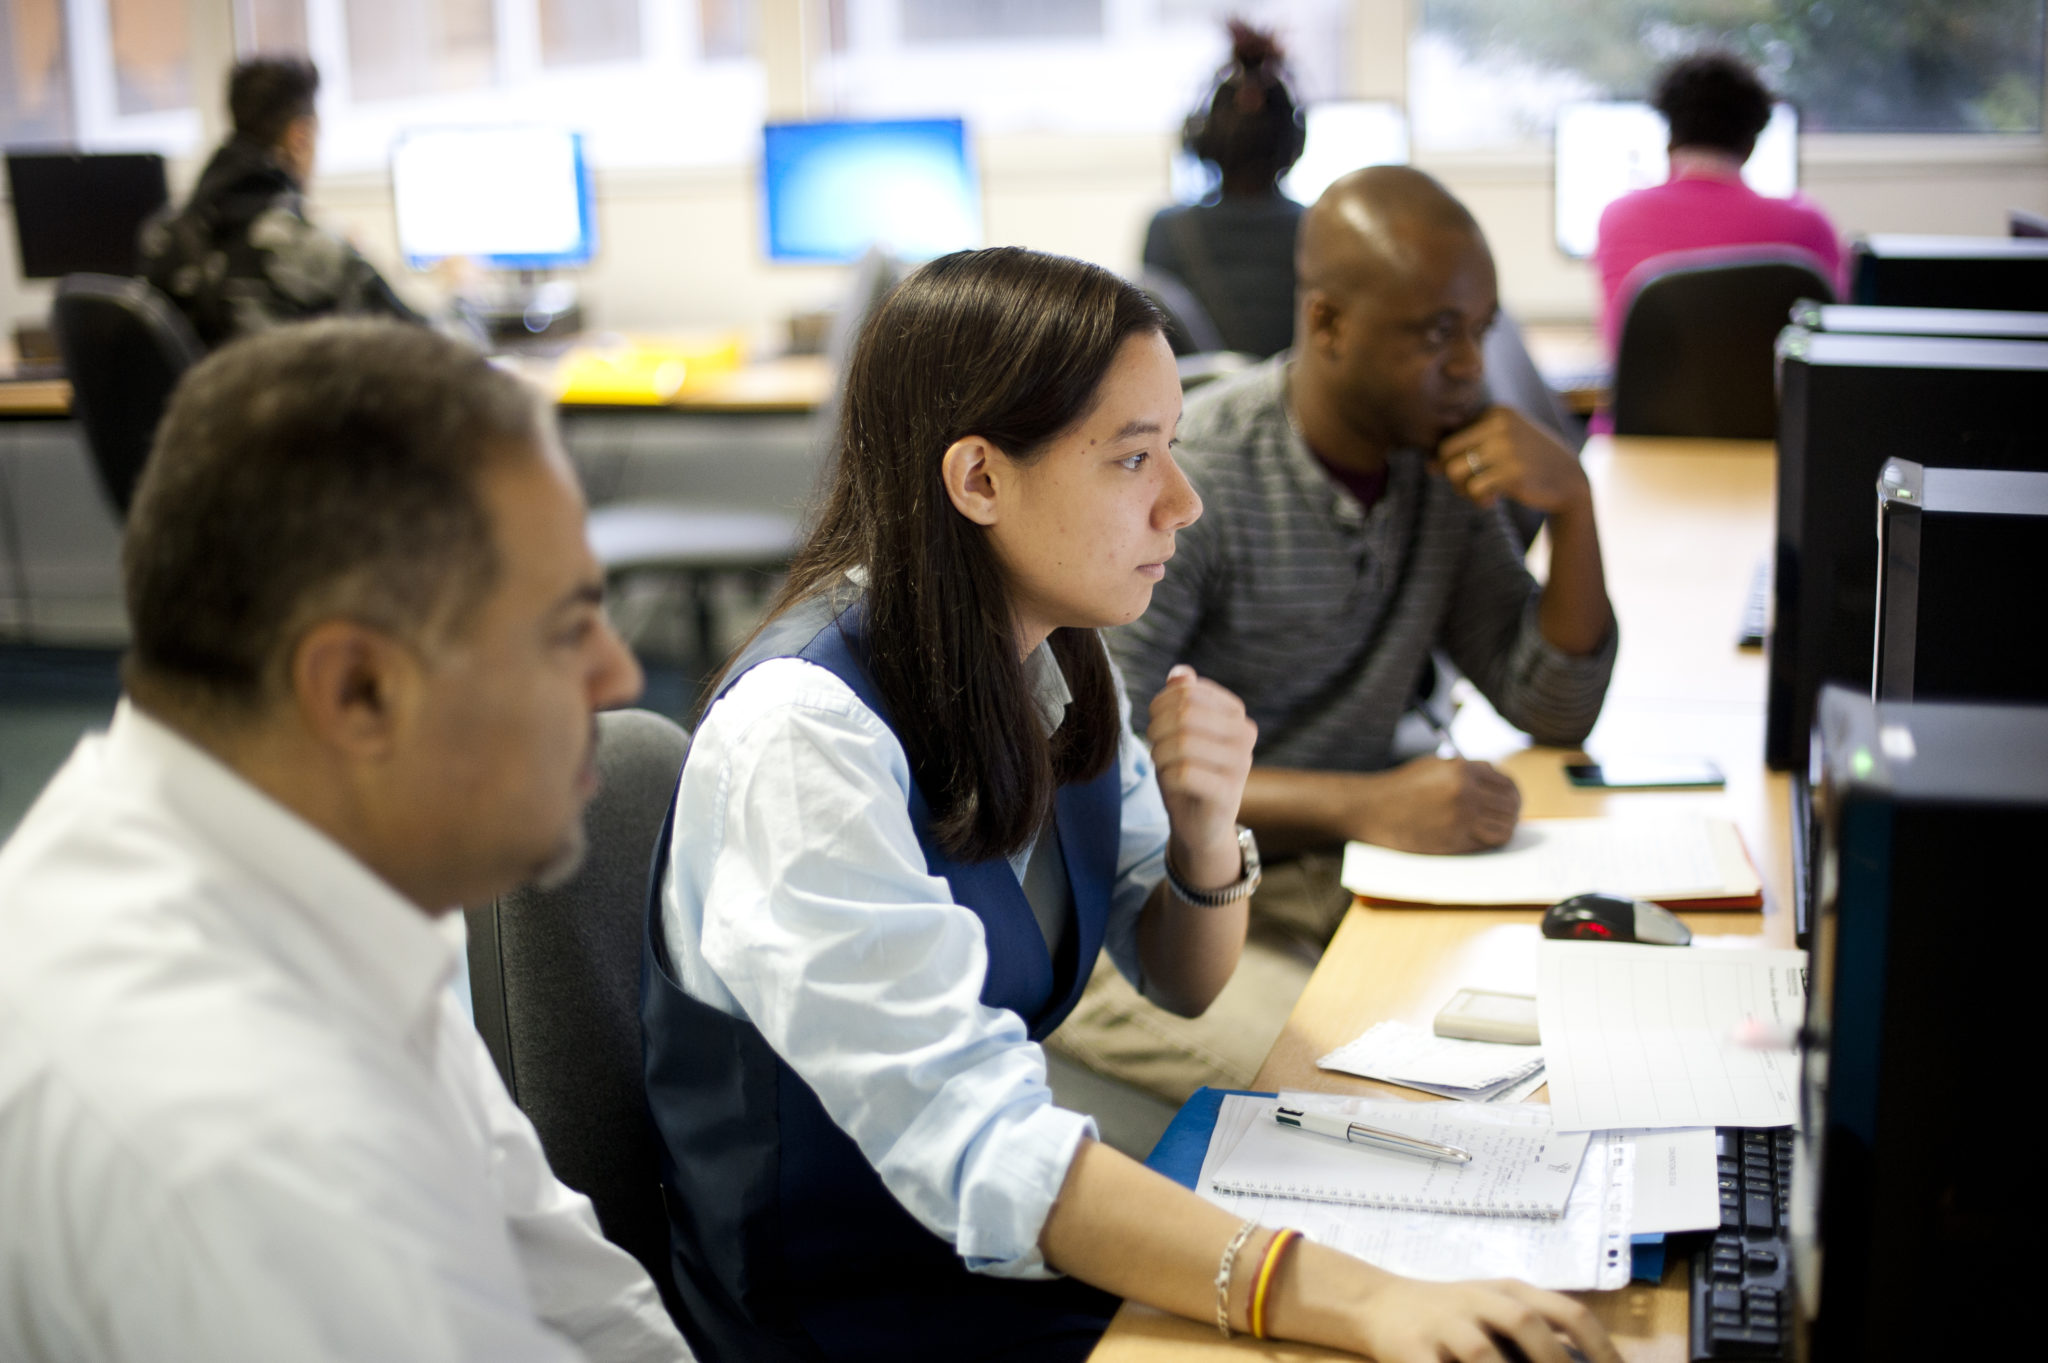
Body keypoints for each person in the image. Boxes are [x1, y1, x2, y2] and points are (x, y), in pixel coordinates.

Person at [640, 246, 1618, 1363]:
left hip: (992, 1260)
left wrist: (1209, 835)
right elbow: (975, 1140)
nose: (1182, 502)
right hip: (857, 1316)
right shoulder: (802, 741)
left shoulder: (1057, 659)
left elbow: (1181, 976)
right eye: (1131, 460)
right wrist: (1358, 1297)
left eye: (1175, 451)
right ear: (977, 481)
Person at [0, 320, 692, 1362]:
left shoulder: (303, 885)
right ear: (357, 690)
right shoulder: (244, 1162)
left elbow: (574, 1288)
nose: (618, 676)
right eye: (566, 628)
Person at [1051, 166, 1618, 1103]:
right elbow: (1108, 773)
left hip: (1348, 880)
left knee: (1571, 1050)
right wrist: (1364, 802)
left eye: (1480, 332)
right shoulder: (1198, 486)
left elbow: (1551, 704)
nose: (1472, 369)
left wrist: (1575, 504)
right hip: (1162, 908)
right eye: (1437, 335)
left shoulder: (1435, 466)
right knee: (1393, 1097)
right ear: (1326, 325)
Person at [141, 56, 425, 347]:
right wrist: (463, 294)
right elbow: (430, 343)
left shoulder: (162, 236)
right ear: (300, 136)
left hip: (205, 392)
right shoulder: (312, 247)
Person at [1592, 50, 1844, 352]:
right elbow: (1833, 344)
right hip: (1771, 400)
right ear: (1750, 145)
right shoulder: (1808, 224)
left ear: (1670, 139)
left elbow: (1616, 349)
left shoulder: (1620, 217)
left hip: (1650, 400)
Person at [1140, 20, 1306, 358]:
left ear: (1201, 141)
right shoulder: (1321, 231)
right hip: (1289, 409)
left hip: (1195, 410)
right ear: (1294, 143)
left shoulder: (1165, 231)